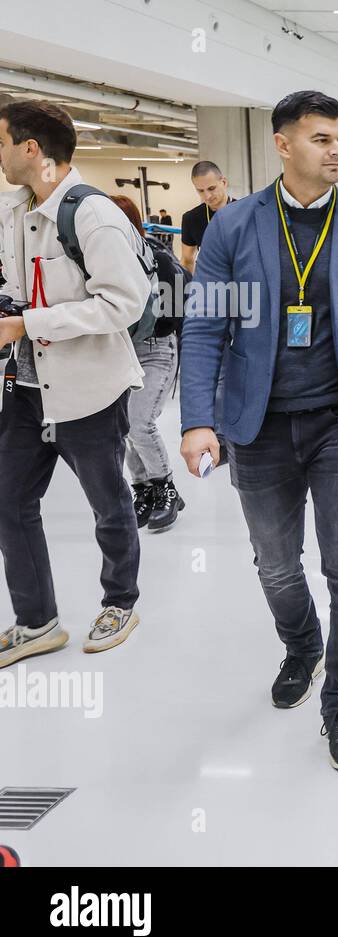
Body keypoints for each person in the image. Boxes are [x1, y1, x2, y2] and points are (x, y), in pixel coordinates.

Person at [179, 90, 338, 772]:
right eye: (321, 139)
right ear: (283, 145)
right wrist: (198, 419)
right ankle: (303, 644)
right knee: (276, 564)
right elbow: (204, 330)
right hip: (257, 426)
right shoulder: (235, 227)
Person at [0, 100, 151, 669]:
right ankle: (36, 621)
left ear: (30, 149)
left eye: (2, 143)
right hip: (27, 388)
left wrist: (28, 323)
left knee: (108, 503)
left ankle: (120, 601)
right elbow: (20, 287)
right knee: (9, 503)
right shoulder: (14, 210)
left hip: (90, 390)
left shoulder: (94, 215)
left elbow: (124, 304)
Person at [108, 195, 185, 533]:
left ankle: (165, 485)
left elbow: (177, 311)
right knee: (121, 426)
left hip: (156, 349)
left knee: (140, 421)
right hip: (118, 350)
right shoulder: (100, 260)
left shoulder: (159, 259)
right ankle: (144, 489)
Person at [179, 160, 236, 274]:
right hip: (212, 285)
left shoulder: (246, 212)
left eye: (211, 188)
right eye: (200, 191)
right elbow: (187, 260)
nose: (207, 196)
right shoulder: (191, 219)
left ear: (224, 182)